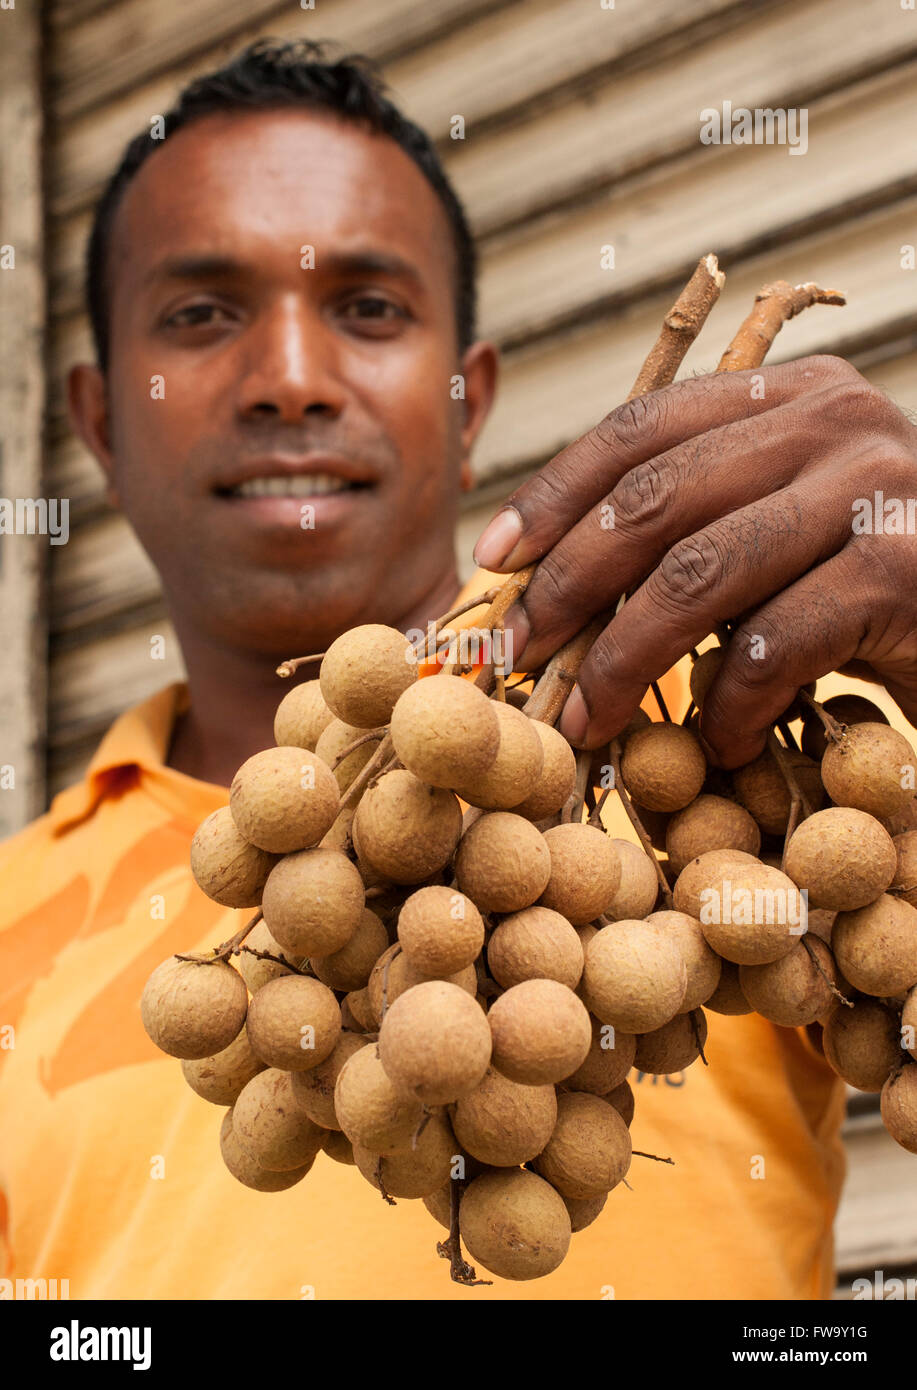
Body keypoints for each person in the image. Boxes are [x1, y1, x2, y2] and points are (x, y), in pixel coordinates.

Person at [2, 37, 915, 1302]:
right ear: (98, 419)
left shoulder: (736, 778)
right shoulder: (12, 927)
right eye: (203, 313)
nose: (291, 381)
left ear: (468, 394)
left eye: (367, 309)